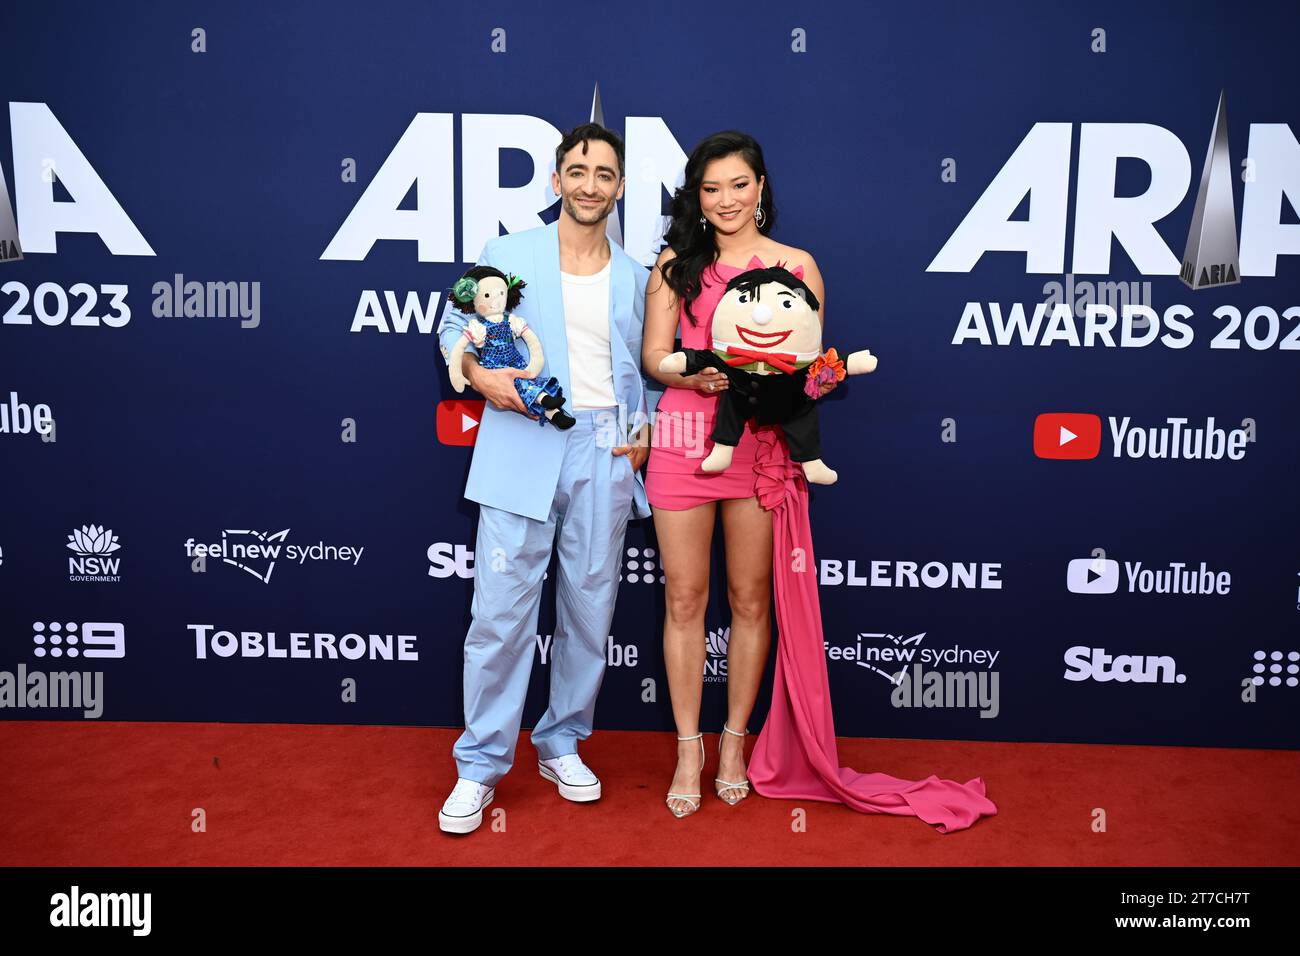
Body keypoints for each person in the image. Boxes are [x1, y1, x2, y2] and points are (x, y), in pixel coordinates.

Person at [434, 122, 653, 834]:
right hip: (523, 441)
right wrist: (475, 372)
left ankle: (561, 742)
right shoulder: (507, 254)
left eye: (605, 174)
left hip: (603, 451)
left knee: (590, 611)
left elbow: (641, 366)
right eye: (578, 170)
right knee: (500, 614)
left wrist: (640, 431)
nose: (591, 184)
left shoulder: (634, 274)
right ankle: (479, 765)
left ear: (619, 190)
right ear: (556, 180)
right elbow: (451, 326)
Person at [642, 130, 834, 818]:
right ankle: (688, 747)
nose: (725, 200)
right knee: (685, 601)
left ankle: (733, 743)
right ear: (697, 196)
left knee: (751, 602)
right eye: (711, 187)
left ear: (761, 188)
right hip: (684, 440)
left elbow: (806, 365)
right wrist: (697, 371)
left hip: (760, 448)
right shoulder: (676, 264)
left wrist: (803, 378)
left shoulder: (798, 265)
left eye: (738, 184)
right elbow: (652, 359)